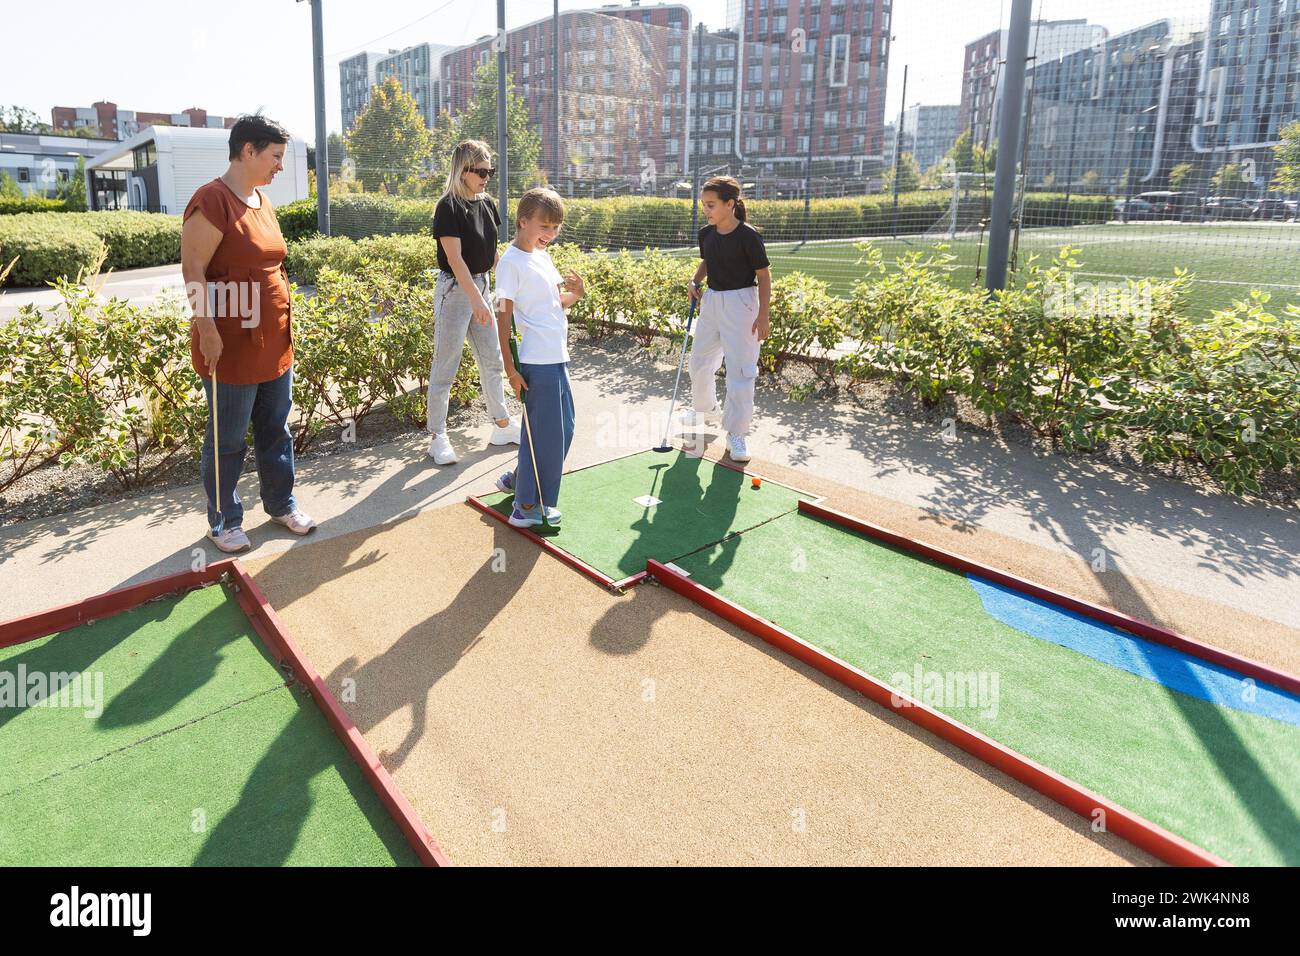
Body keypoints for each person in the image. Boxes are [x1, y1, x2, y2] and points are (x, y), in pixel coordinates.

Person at [182, 113, 316, 554]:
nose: (280, 166)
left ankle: (280, 503)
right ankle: (223, 520)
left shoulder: (261, 199)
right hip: (230, 342)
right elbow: (194, 268)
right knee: (228, 437)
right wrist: (207, 329)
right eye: (275, 157)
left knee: (275, 428)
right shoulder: (213, 199)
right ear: (247, 151)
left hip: (275, 339)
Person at [491, 188, 585, 528]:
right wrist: (510, 369)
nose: (551, 234)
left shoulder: (542, 257)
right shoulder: (511, 263)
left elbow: (551, 303)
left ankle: (518, 479)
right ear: (523, 221)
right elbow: (503, 316)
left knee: (564, 429)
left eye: (556, 227)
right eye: (545, 226)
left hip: (557, 357)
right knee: (545, 435)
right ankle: (526, 505)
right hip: (535, 361)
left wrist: (575, 294)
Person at [427, 139, 520, 464]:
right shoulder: (448, 207)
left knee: (492, 360)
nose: (486, 176)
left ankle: (503, 425)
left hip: (482, 285)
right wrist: (477, 300)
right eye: (480, 171)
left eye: (489, 171)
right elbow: (455, 259)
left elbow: (491, 253)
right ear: (462, 170)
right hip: (456, 290)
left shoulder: (486, 203)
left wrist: (506, 285)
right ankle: (437, 437)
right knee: (446, 364)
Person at [685, 175, 771, 464]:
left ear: (730, 204)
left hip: (742, 304)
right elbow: (707, 261)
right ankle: (707, 410)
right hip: (712, 301)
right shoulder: (706, 234)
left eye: (711, 205)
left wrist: (763, 315)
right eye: (704, 205)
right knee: (699, 362)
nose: (706, 210)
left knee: (741, 371)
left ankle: (737, 433)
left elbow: (763, 275)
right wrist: (694, 281)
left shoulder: (748, 236)